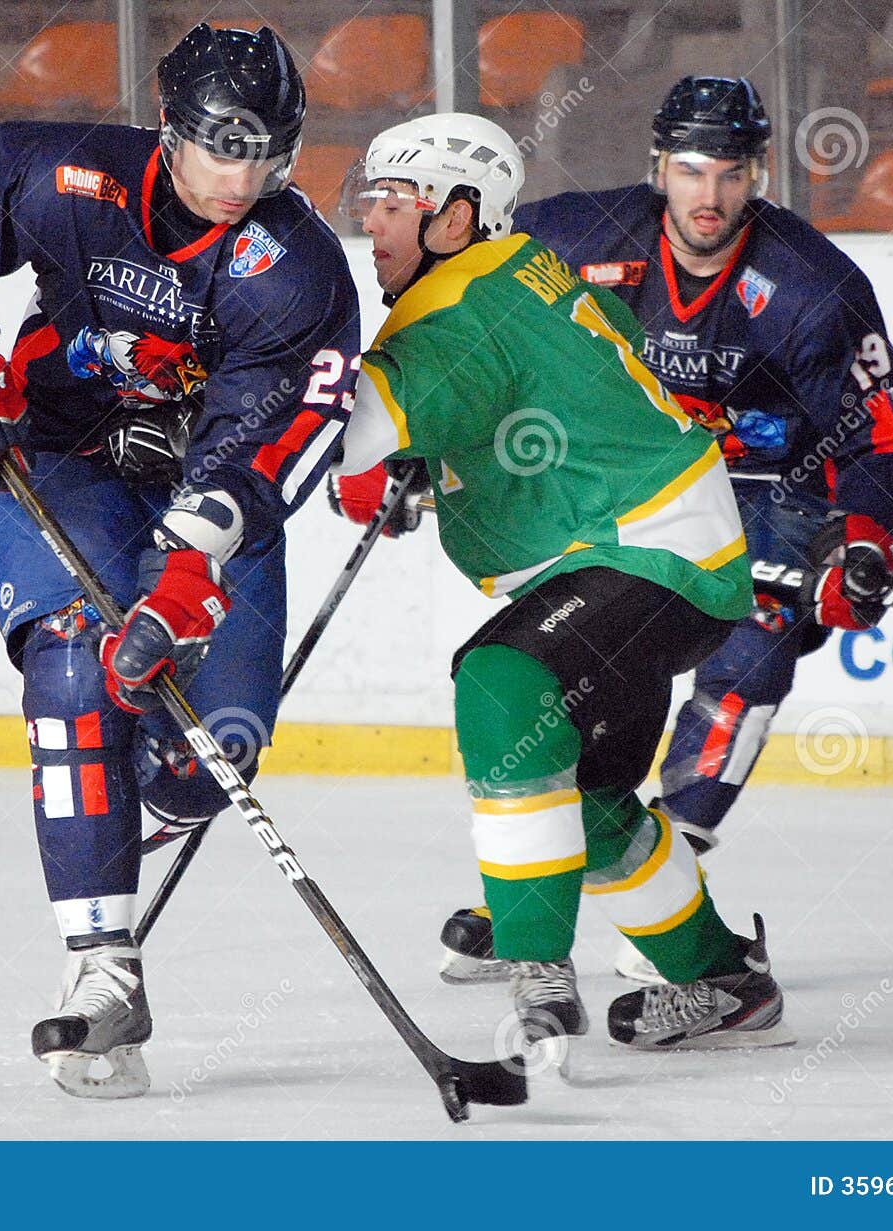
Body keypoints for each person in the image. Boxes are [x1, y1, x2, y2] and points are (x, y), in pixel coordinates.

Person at [0, 24, 360, 1098]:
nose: (245, 174)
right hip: (57, 451)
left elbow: (270, 439)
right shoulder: (71, 174)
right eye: (224, 144)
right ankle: (103, 975)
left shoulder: (293, 268)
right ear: (169, 127)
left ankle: (142, 804)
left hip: (199, 498)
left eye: (270, 148)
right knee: (77, 661)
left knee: (210, 756)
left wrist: (185, 574)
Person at [412, 76, 893, 986]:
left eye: (730, 174)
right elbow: (468, 301)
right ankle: (548, 884)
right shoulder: (576, 241)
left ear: (757, 175)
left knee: (741, 667)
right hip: (639, 496)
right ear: (659, 165)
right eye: (690, 170)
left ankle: (672, 886)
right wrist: (423, 423)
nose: (709, 196)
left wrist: (857, 541)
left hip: (781, 498)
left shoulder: (811, 287)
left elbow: (892, 432)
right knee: (578, 678)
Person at [330, 112, 790, 1052]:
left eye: (392, 205)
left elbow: (321, 437)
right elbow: (536, 389)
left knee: (500, 683)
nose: (370, 225)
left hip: (638, 550)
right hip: (669, 552)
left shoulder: (451, 309)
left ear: (457, 218)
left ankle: (540, 980)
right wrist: (436, 459)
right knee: (591, 801)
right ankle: (726, 984)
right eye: (368, 203)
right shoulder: (516, 270)